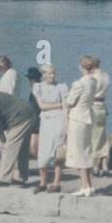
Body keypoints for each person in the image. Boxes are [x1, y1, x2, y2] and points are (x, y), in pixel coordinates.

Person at [63, 56, 99, 197]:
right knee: (85, 150)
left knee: (78, 152)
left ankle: (85, 186)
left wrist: (65, 102)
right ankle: (89, 184)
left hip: (77, 118)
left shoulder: (79, 83)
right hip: (87, 117)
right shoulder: (93, 81)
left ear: (81, 67)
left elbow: (70, 101)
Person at [32, 65, 69, 193]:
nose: (52, 76)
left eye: (53, 73)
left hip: (59, 120)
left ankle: (56, 182)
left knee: (58, 153)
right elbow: (42, 106)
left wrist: (67, 125)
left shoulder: (61, 87)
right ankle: (42, 182)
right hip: (46, 121)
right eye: (49, 73)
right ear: (44, 74)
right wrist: (59, 104)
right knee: (43, 153)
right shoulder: (38, 87)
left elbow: (66, 107)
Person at [88, 56, 112, 176]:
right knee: (102, 136)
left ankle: (95, 166)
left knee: (93, 137)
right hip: (102, 105)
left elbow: (89, 93)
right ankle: (105, 165)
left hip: (93, 106)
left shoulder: (93, 78)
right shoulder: (106, 76)